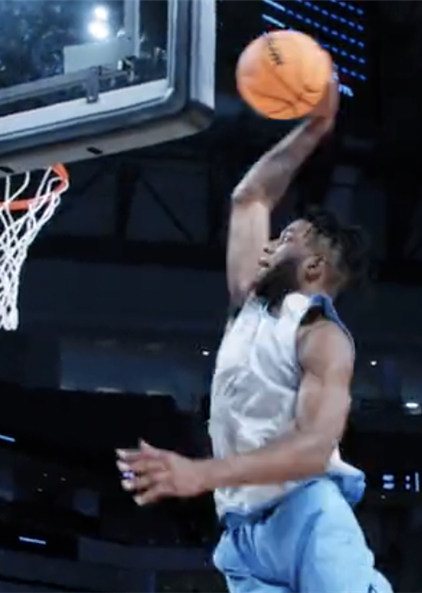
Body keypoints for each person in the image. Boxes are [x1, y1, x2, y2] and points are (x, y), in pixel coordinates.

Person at [117, 78, 392, 593]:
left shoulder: (321, 332)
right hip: (242, 539)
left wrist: (200, 474)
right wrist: (314, 128)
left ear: (312, 266)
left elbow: (313, 449)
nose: (269, 244)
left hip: (306, 516)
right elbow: (251, 197)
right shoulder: (249, 304)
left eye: (287, 237)